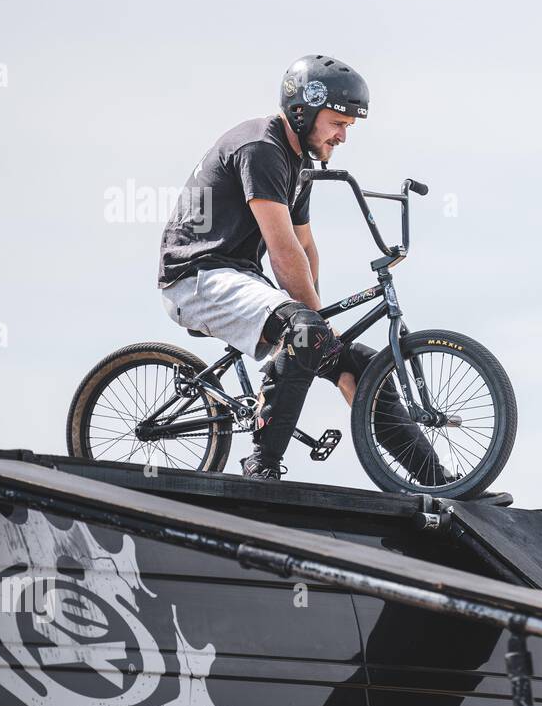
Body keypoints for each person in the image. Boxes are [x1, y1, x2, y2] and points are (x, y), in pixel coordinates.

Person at [157, 54, 446, 484]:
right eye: (338, 123)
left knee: (360, 365)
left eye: (349, 126)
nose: (344, 136)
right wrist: (314, 328)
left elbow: (305, 244)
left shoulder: (299, 165)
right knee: (307, 334)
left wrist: (320, 323)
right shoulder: (262, 148)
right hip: (196, 276)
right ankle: (262, 463)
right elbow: (282, 251)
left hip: (238, 278)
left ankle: (441, 481)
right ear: (303, 110)